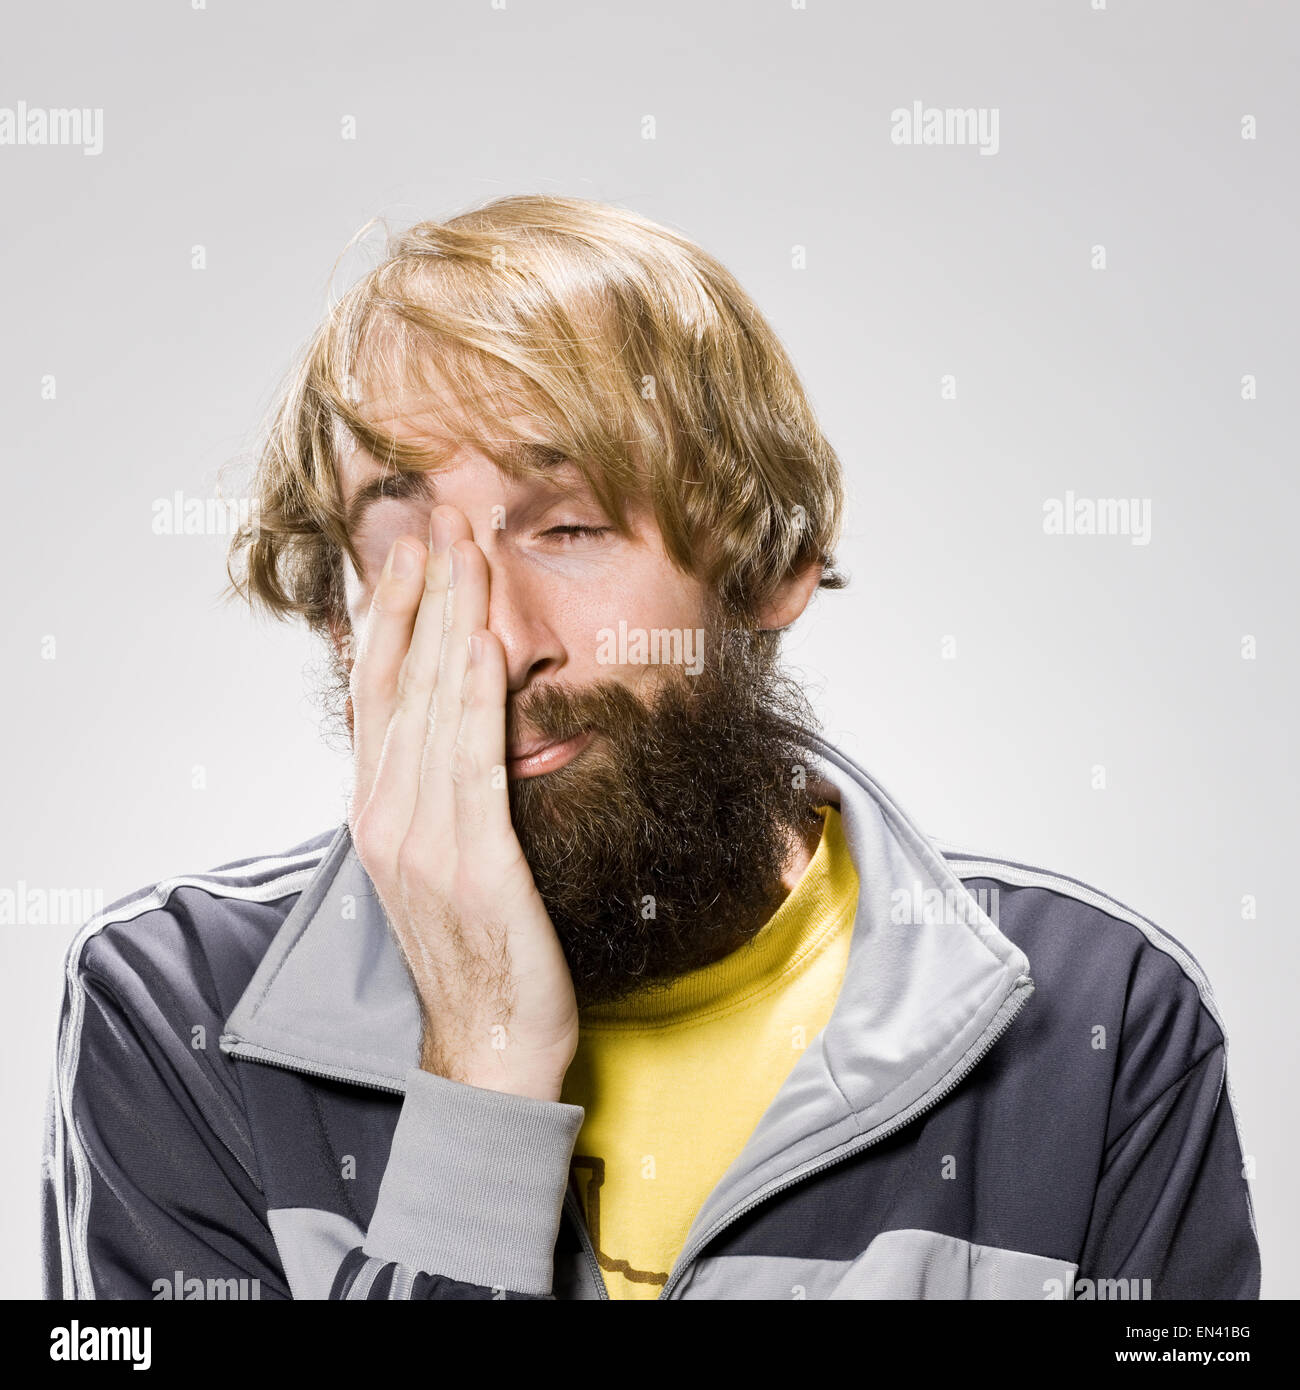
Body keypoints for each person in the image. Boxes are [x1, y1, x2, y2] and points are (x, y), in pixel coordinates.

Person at [42, 195, 1260, 1301]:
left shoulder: (1100, 1021)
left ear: (771, 565)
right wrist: (482, 1071)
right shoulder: (179, 1013)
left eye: (566, 528)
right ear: (332, 608)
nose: (493, 644)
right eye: (407, 552)